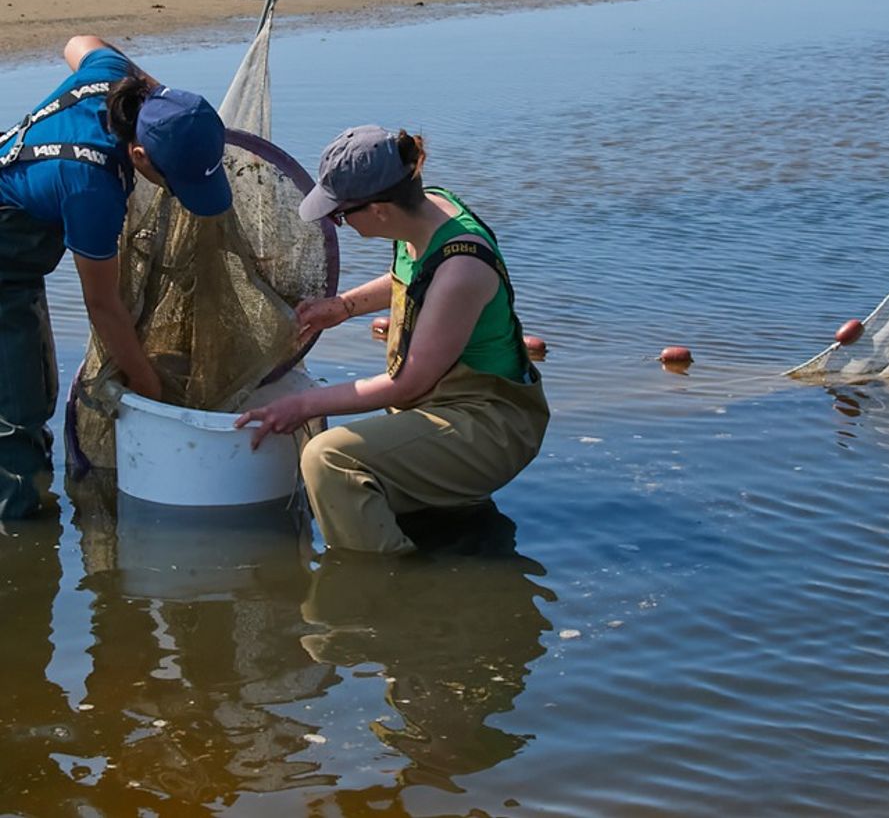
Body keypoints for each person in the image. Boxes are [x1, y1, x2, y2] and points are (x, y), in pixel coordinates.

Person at [236, 125, 550, 555]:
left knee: (329, 459)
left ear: (380, 209)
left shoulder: (462, 270)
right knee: (365, 463)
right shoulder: (427, 212)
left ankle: (383, 591)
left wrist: (303, 405)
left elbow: (408, 384)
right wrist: (344, 306)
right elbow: (417, 277)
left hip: (492, 426)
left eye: (341, 215)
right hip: (444, 408)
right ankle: (435, 517)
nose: (339, 225)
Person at [0, 34, 232, 519]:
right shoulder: (92, 188)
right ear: (141, 157)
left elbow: (78, 42)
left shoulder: (119, 82)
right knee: (16, 419)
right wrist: (148, 386)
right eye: (176, 183)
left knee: (34, 385)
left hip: (19, 247)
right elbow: (104, 307)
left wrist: (156, 95)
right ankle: (20, 533)